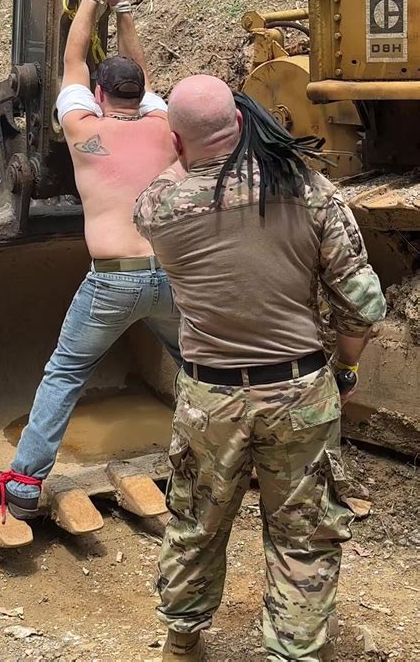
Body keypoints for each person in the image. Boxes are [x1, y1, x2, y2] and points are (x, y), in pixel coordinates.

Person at [134, 78, 387, 662]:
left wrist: (183, 150)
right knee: (304, 533)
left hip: (209, 398)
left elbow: (178, 177)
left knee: (196, 519)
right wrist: (345, 369)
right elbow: (361, 306)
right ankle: (293, 650)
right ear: (245, 126)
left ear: (176, 142)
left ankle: (183, 637)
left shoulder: (158, 206)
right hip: (299, 390)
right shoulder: (308, 190)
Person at [0, 0, 181, 521]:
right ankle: (232, 450)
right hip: (171, 276)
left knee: (66, 373)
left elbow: (71, 61)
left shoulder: (82, 128)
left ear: (98, 93)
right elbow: (139, 72)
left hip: (114, 279)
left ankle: (22, 484)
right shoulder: (163, 126)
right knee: (199, 367)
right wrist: (124, 6)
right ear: (143, 94)